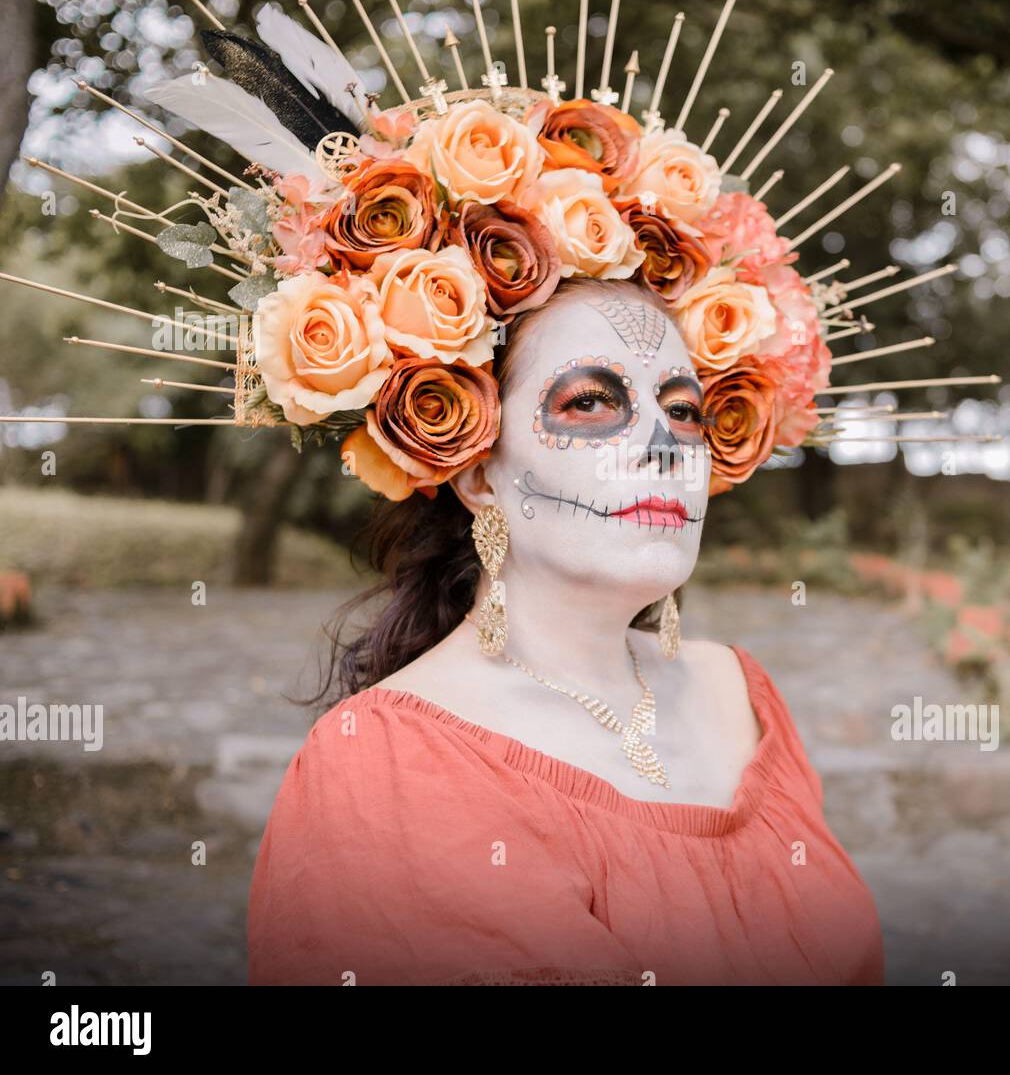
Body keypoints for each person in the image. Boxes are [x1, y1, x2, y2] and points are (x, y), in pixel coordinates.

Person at [246, 278, 885, 985]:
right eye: (590, 401)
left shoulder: (742, 693)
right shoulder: (381, 766)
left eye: (683, 411)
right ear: (481, 473)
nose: (663, 448)